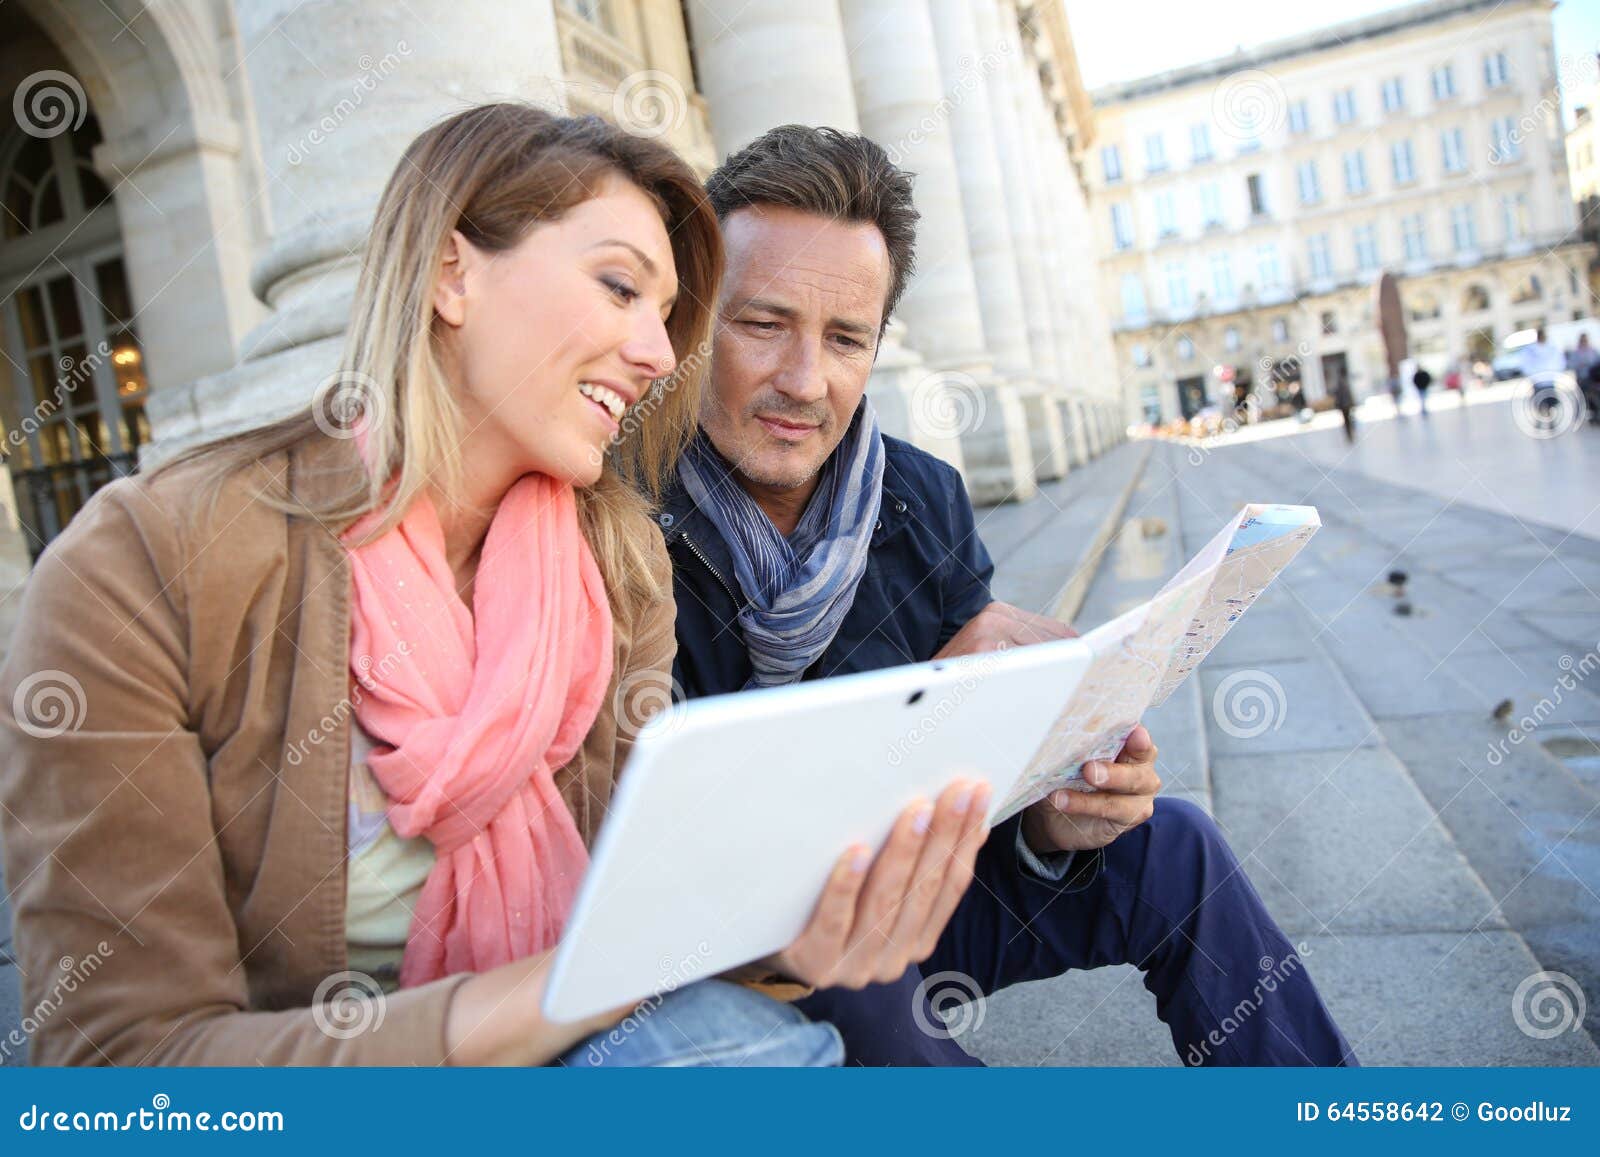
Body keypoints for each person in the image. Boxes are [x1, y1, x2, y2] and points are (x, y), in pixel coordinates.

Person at [0, 103, 849, 1067]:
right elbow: (118, 1067)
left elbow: (639, 896)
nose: (660, 355)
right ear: (451, 273)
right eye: (620, 287)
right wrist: (547, 999)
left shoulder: (619, 567)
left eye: (664, 317)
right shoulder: (150, 560)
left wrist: (784, 922)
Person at [662, 125, 1355, 1067]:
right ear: (697, 317)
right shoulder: (624, 523)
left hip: (919, 897)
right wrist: (909, 717)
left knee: (1176, 846)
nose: (804, 379)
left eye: (846, 338)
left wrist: (1051, 817)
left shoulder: (924, 498)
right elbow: (655, 853)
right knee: (854, 976)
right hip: (737, 952)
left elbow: (978, 782)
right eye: (763, 323)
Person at [1571, 333, 1600, 424]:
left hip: (1593, 379)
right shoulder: (1576, 353)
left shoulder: (1593, 351)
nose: (1584, 342)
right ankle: (1582, 415)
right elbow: (1571, 364)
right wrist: (1580, 364)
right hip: (1582, 379)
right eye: (1583, 340)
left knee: (1594, 396)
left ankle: (1595, 415)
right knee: (1583, 397)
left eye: (1585, 340)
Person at [1333, 369, 1356, 443]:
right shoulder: (1344, 383)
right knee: (1348, 421)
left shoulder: (1340, 383)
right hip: (1345, 405)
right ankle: (1350, 434)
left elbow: (1338, 395)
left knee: (1347, 421)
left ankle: (1350, 434)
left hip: (1344, 406)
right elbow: (1346, 395)